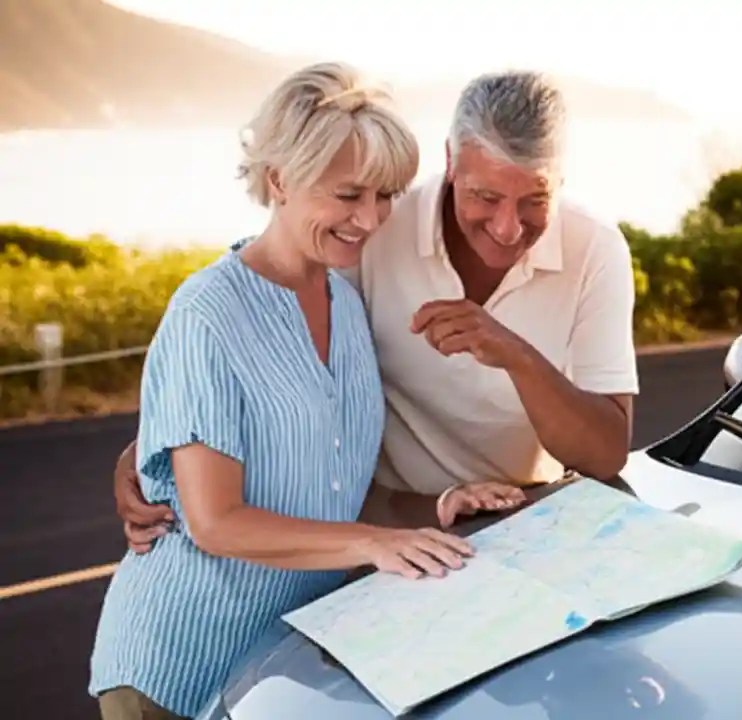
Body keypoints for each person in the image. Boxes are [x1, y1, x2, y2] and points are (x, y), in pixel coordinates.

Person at [88, 62, 480, 720]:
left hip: (284, 670)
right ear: (279, 180)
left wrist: (437, 505)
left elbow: (332, 488)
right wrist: (368, 544)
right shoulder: (207, 312)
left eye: (385, 195)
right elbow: (215, 522)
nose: (372, 218)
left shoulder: (346, 305)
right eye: (349, 195)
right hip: (177, 672)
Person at [114, 69, 640, 547]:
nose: (508, 227)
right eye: (484, 196)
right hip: (393, 524)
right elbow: (266, 323)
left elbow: (605, 454)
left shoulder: (595, 249)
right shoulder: (377, 227)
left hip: (527, 520)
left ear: (561, 182)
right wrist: (166, 436)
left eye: (534, 200)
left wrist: (514, 355)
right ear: (451, 162)